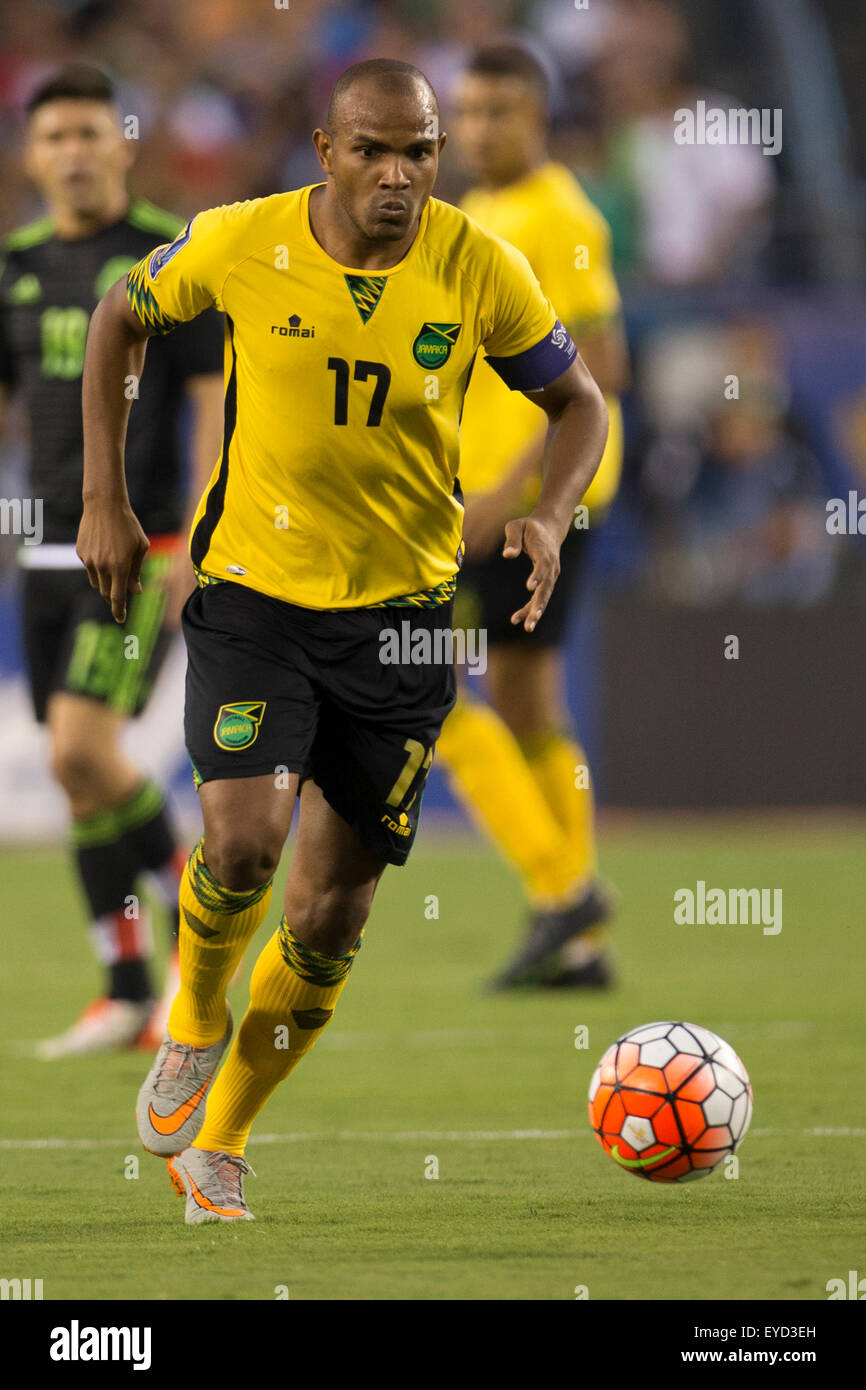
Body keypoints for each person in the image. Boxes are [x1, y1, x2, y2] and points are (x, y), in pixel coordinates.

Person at [77, 58, 609, 1224]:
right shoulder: (240, 241)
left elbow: (583, 401)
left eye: (418, 151)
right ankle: (196, 1011)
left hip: (404, 626)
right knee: (247, 843)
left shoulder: (478, 264)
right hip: (256, 600)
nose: (398, 174)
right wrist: (106, 497)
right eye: (372, 149)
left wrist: (549, 515)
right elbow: (120, 312)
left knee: (330, 916)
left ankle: (222, 1140)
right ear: (325, 149)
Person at [0, 64, 225, 1057]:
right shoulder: (14, 266)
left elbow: (214, 398)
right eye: (56, 137)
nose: (75, 152)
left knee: (80, 753)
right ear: (31, 154)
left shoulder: (167, 259)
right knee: (80, 784)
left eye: (93, 132)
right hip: (38, 551)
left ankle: (192, 930)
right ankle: (128, 990)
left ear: (124, 144)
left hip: (138, 547)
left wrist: (205, 534)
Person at [441, 44, 629, 988]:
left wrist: (515, 496)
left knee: (425, 688)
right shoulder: (478, 213)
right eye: (468, 112)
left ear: (539, 117)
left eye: (500, 111)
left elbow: (601, 365)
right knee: (520, 701)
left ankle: (564, 891)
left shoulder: (564, 213)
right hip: (480, 500)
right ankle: (579, 935)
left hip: (542, 505)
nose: (479, 129)